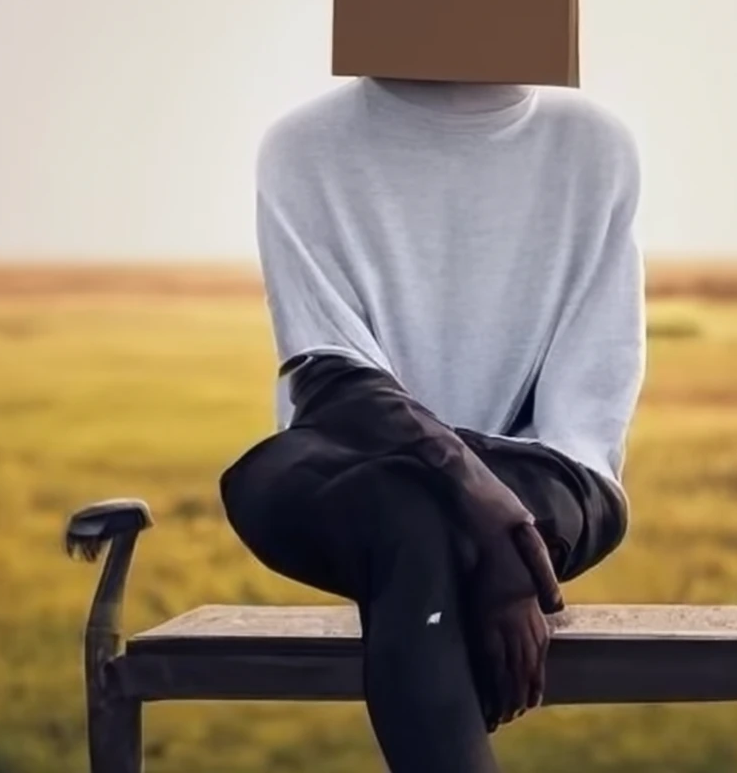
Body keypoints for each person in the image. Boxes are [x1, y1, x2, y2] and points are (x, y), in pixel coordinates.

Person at [220, 76, 646, 773]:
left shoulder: (595, 148)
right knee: (386, 505)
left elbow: (585, 407)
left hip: (541, 479)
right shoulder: (302, 148)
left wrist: (501, 513)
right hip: (361, 466)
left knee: (409, 519)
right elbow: (333, 377)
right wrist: (492, 525)